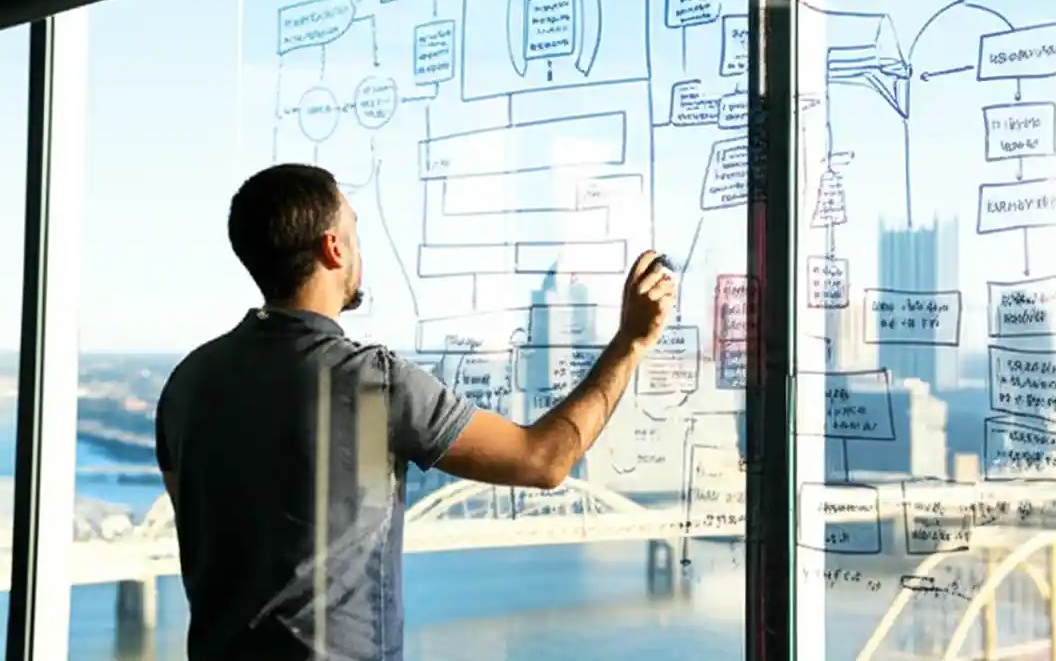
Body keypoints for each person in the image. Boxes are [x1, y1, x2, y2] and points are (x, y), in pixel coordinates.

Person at [154, 163, 676, 661]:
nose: (361, 250)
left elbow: (207, 535)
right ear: (333, 248)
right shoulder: (370, 384)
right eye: (355, 232)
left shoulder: (188, 384)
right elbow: (544, 459)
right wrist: (630, 342)